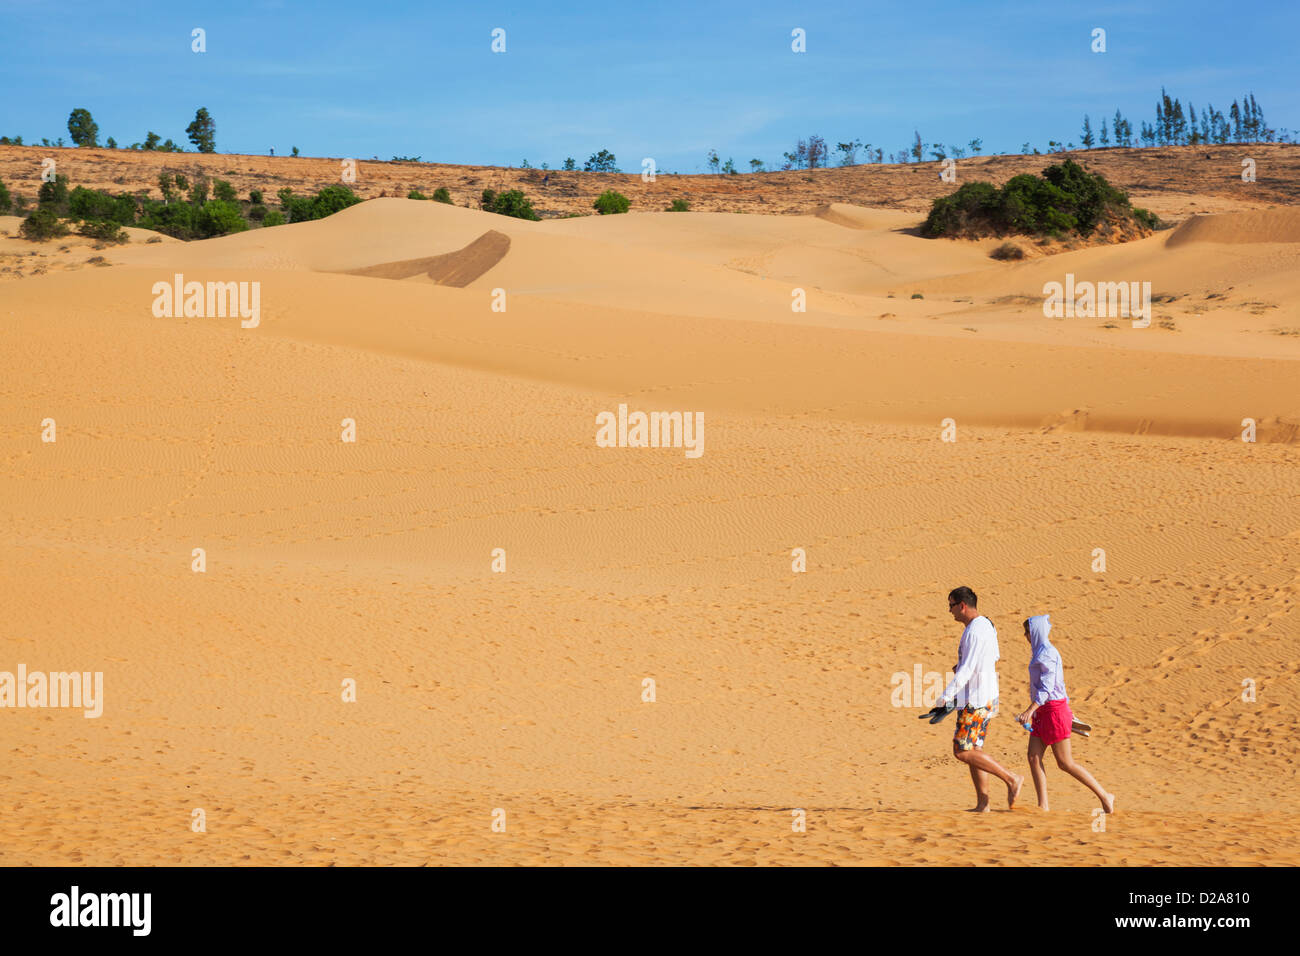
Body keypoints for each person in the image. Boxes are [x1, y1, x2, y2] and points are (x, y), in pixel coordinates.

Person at [1015, 615, 1115, 813]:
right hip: (1043, 711)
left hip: (1052, 711)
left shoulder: (1048, 654)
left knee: (1065, 763)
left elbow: (1048, 687)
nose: (1025, 636)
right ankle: (1043, 805)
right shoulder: (1039, 652)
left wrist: (1030, 710)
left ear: (1035, 632)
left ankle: (1104, 795)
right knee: (1034, 757)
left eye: (1027, 631)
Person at [939, 587, 1023, 811]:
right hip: (986, 696)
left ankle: (1011, 778)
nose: (950, 611)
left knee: (961, 750)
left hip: (975, 699)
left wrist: (945, 698)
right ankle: (983, 804)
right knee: (975, 749)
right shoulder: (987, 624)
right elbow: (991, 657)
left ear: (962, 606)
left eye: (951, 605)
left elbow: (966, 670)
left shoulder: (974, 631)